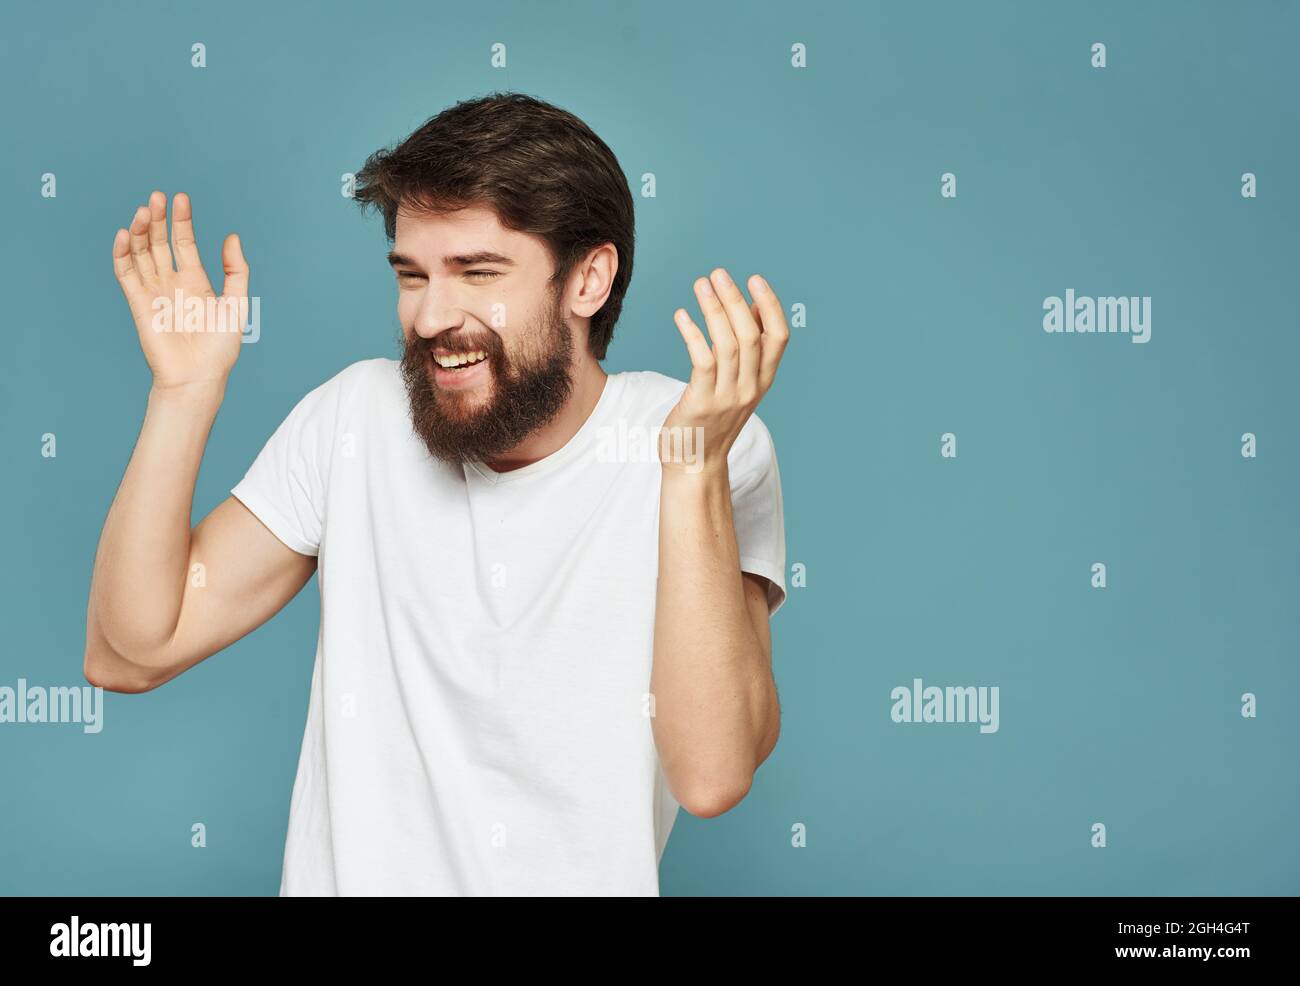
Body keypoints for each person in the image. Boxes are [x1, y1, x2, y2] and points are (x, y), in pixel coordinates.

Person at [85, 91, 790, 896]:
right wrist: (183, 393)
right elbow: (129, 652)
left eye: (477, 273)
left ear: (588, 279)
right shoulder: (355, 419)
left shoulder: (701, 443)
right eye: (412, 275)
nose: (429, 317)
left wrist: (692, 472)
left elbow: (713, 775)